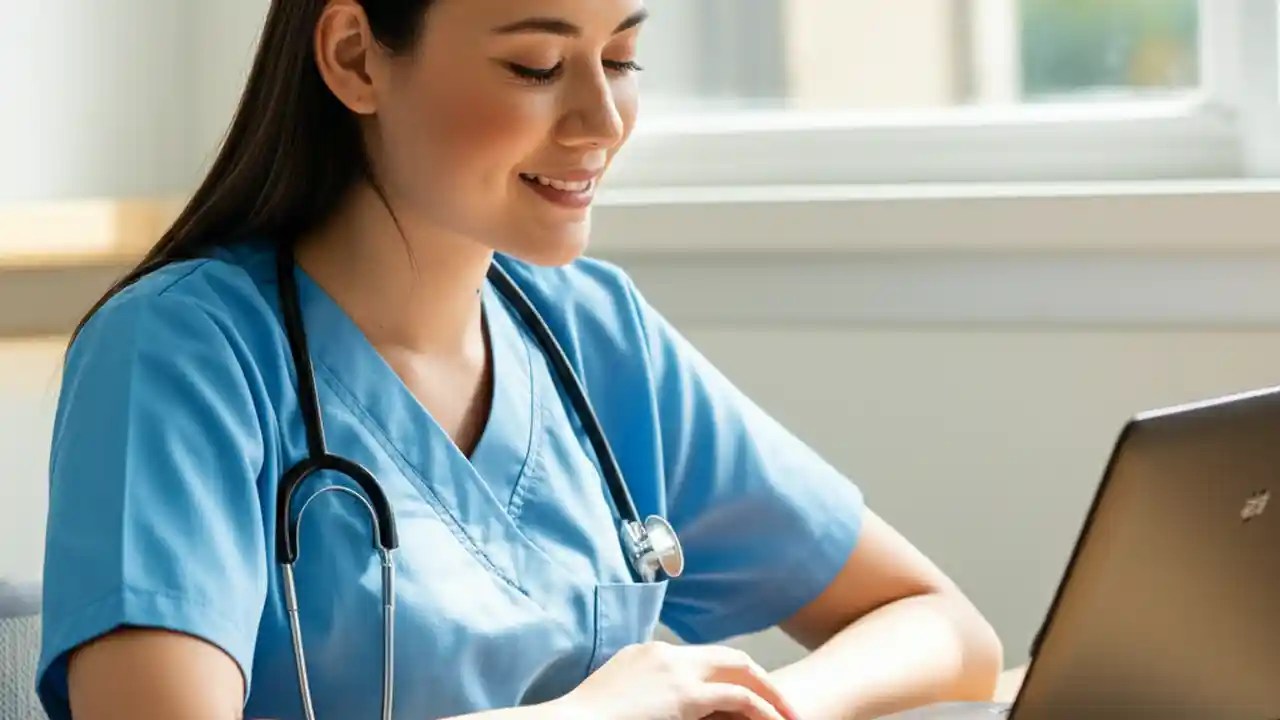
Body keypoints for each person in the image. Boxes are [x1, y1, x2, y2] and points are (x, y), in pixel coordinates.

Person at [36, 1, 1003, 718]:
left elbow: (946, 628)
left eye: (620, 56)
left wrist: (760, 705)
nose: (603, 119)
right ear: (354, 56)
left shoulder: (594, 336)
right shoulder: (178, 356)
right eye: (538, 65)